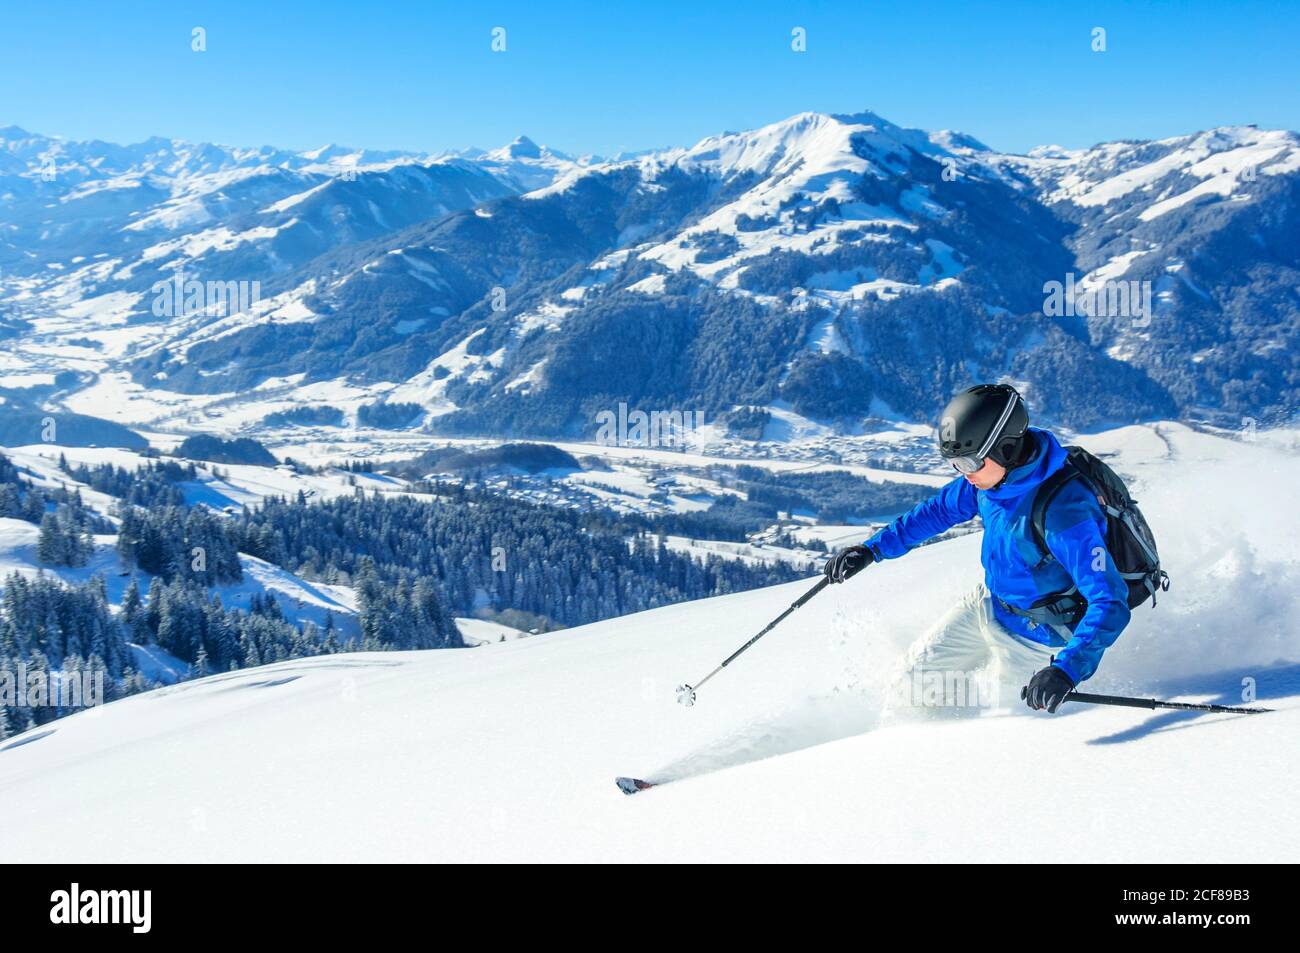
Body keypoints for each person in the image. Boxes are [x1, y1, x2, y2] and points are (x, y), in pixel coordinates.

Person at [823, 383, 1131, 714]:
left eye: (969, 463)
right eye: (956, 464)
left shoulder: (1063, 512)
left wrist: (1065, 670)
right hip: (990, 604)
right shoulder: (991, 482)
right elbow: (938, 510)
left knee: (1000, 722)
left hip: (1039, 638)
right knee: (913, 686)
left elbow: (1109, 600)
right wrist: (872, 549)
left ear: (1007, 449)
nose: (963, 474)